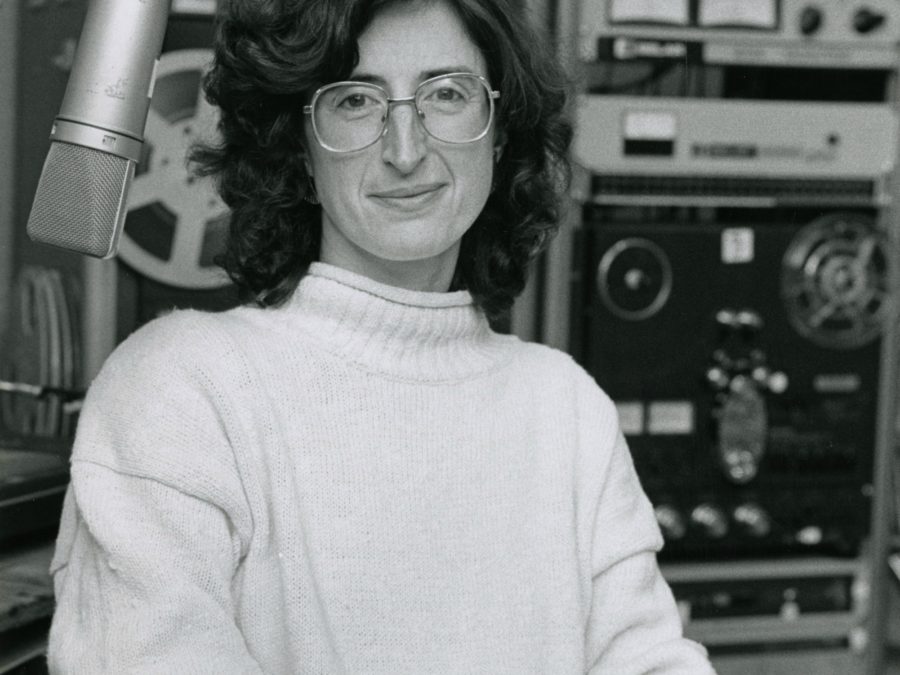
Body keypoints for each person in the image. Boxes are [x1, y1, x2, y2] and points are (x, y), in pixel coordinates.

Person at [47, 0, 716, 672]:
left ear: (499, 134)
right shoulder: (180, 391)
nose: (405, 150)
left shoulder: (568, 409)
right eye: (355, 102)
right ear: (300, 150)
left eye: (446, 94)